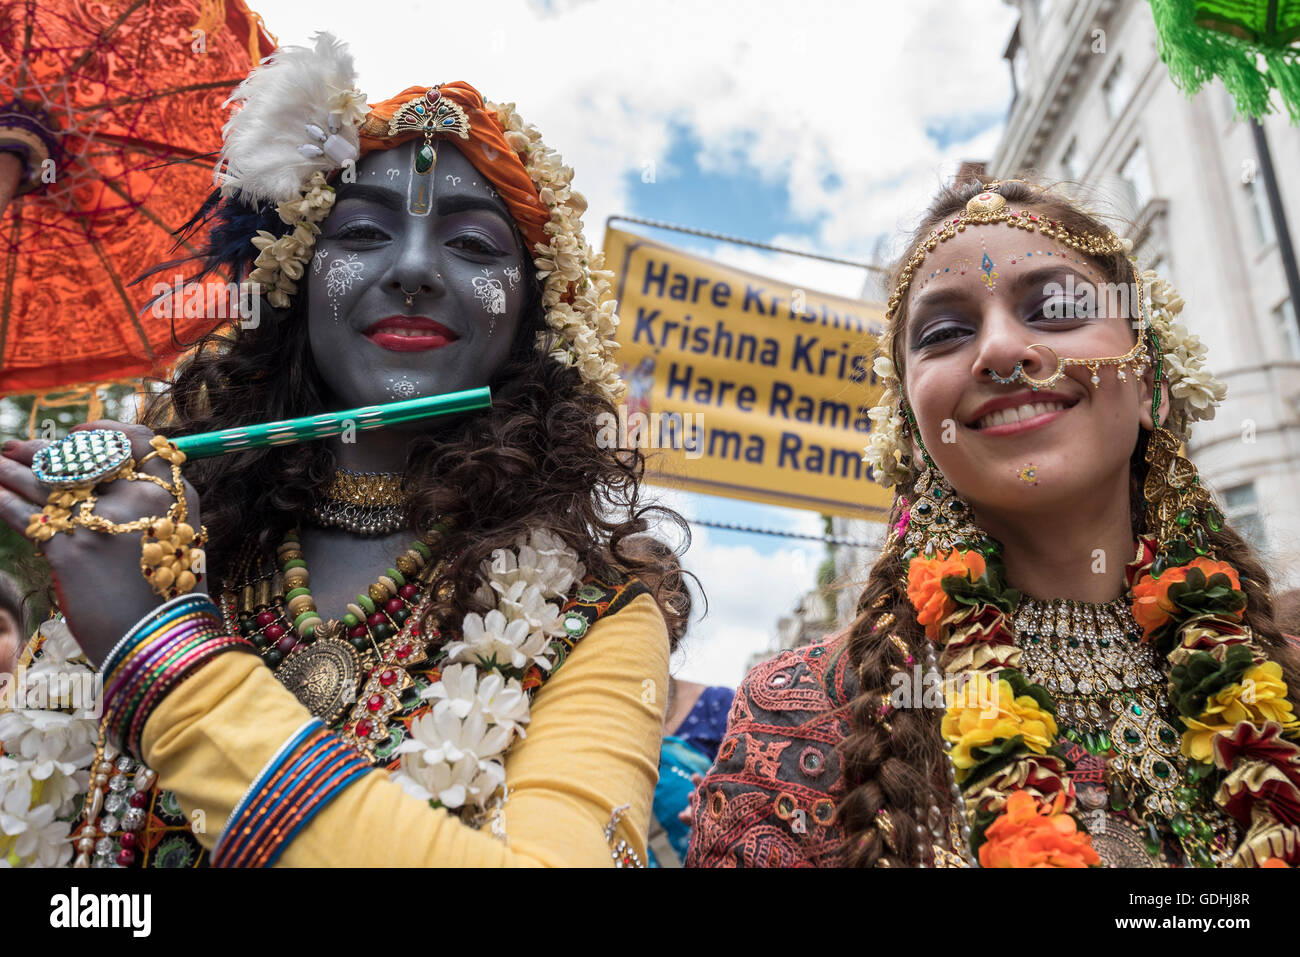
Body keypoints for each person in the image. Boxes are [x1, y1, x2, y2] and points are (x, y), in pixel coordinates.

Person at [0, 32, 683, 868]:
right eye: (361, 232)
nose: (415, 269)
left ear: (534, 326)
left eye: (473, 246)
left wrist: (160, 649)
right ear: (290, 284)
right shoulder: (152, 538)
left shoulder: (599, 618)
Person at [688, 179, 1300, 869]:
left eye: (1059, 307)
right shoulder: (803, 712)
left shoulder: (1285, 681)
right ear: (912, 430)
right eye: (946, 332)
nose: (1004, 350)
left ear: (1152, 381)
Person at [619, 534, 732, 866]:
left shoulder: (720, 708)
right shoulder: (571, 708)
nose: (629, 617)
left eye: (645, 603)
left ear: (677, 616)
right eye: (615, 599)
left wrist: (722, 814)